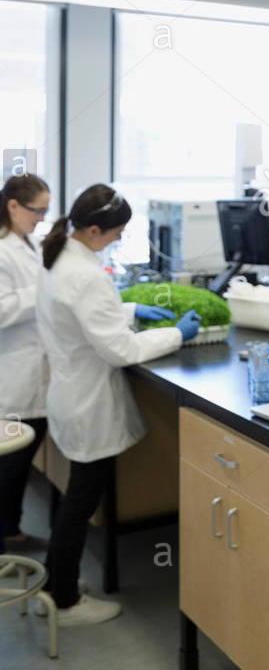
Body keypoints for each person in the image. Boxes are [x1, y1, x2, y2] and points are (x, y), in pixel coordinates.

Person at [35, 184, 201, 626]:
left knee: (76, 498)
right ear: (94, 229)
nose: (118, 240)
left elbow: (87, 320)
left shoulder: (60, 257)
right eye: (116, 233)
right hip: (86, 402)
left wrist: (127, 309)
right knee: (80, 501)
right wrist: (177, 336)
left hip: (71, 393)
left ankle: (56, 583)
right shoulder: (84, 274)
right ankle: (63, 599)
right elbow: (119, 351)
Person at [0, 173, 51, 550]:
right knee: (10, 465)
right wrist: (43, 291)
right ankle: (4, 539)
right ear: (13, 206)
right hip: (13, 374)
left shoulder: (28, 241)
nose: (41, 218)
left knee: (17, 463)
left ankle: (10, 531)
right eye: (38, 211)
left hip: (34, 370)